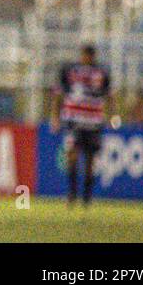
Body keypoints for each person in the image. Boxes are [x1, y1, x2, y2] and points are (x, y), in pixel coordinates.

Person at [51, 44, 111, 206]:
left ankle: (87, 196)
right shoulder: (70, 70)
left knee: (90, 160)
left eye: (89, 55)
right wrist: (55, 117)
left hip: (93, 122)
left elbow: (108, 96)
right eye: (84, 55)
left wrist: (111, 116)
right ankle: (71, 194)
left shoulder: (102, 73)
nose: (86, 58)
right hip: (73, 121)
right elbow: (58, 94)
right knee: (72, 155)